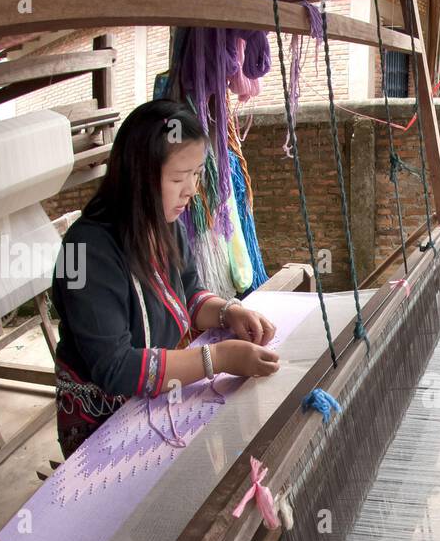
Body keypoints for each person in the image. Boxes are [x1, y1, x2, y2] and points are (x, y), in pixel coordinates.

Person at [50, 99, 279, 458]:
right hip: (102, 420)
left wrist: (227, 312)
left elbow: (187, 292)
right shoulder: (85, 250)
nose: (190, 189)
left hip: (155, 398)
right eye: (177, 177)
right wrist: (216, 359)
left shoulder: (164, 224)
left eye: (197, 174)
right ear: (138, 175)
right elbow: (116, 366)